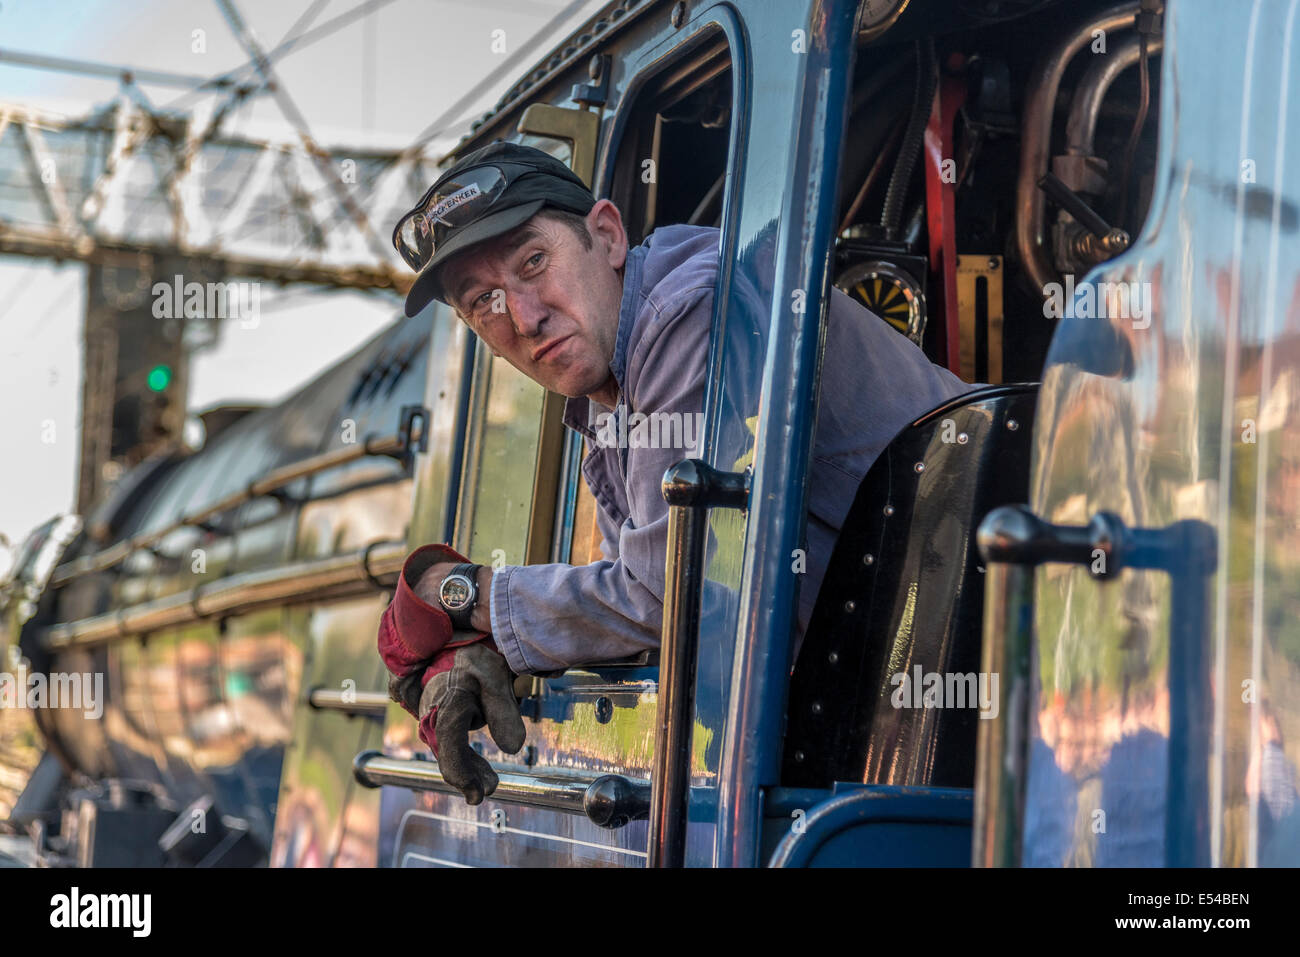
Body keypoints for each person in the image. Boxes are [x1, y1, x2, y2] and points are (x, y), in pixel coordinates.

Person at [376, 140, 971, 803]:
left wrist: (461, 594)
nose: (524, 315)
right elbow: (663, 609)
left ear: (606, 236)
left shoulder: (688, 311)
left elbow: (666, 594)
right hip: (891, 695)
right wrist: (487, 642)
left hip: (957, 684)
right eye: (483, 301)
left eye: (534, 262)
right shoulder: (606, 397)